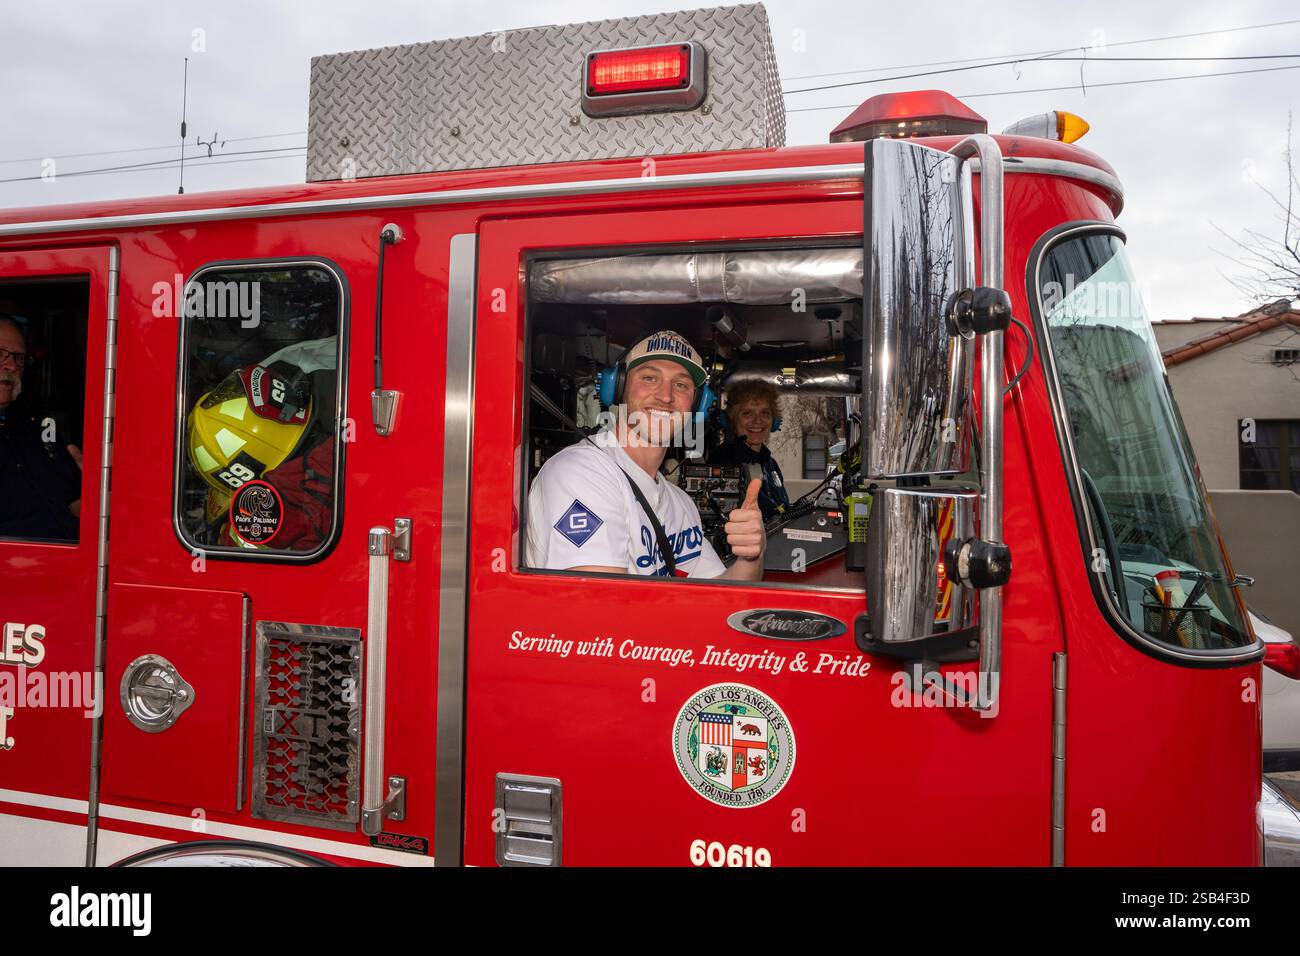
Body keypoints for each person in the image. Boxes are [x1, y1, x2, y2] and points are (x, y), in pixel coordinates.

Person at [527, 330, 765, 580]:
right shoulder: (581, 473)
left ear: (697, 405)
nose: (665, 396)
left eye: (681, 384)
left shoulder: (679, 504)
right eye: (650, 378)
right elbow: (598, 606)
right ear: (617, 387)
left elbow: (723, 593)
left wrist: (751, 557)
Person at [0, 313, 83, 540]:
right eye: (1, 354)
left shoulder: (41, 428)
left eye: (19, 358)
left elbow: (78, 502)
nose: (12, 365)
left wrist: (99, 482)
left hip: (74, 558)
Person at [710, 378, 790, 522]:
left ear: (774, 422)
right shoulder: (723, 460)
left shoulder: (770, 463)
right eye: (747, 413)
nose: (757, 421)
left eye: (765, 413)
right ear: (732, 420)